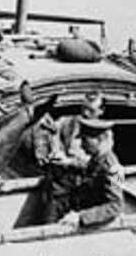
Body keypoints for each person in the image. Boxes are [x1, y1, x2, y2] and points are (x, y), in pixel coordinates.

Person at [33, 91, 104, 224]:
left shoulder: (104, 134)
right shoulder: (67, 122)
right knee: (47, 225)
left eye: (91, 110)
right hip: (60, 189)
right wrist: (48, 151)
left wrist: (70, 161)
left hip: (86, 191)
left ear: (101, 111)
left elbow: (101, 164)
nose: (86, 114)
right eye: (84, 108)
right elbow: (44, 127)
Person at [59, 117, 124, 228]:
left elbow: (115, 206)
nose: (82, 145)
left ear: (98, 140)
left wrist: (81, 217)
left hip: (96, 226)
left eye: (85, 140)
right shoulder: (96, 160)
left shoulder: (115, 168)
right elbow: (88, 168)